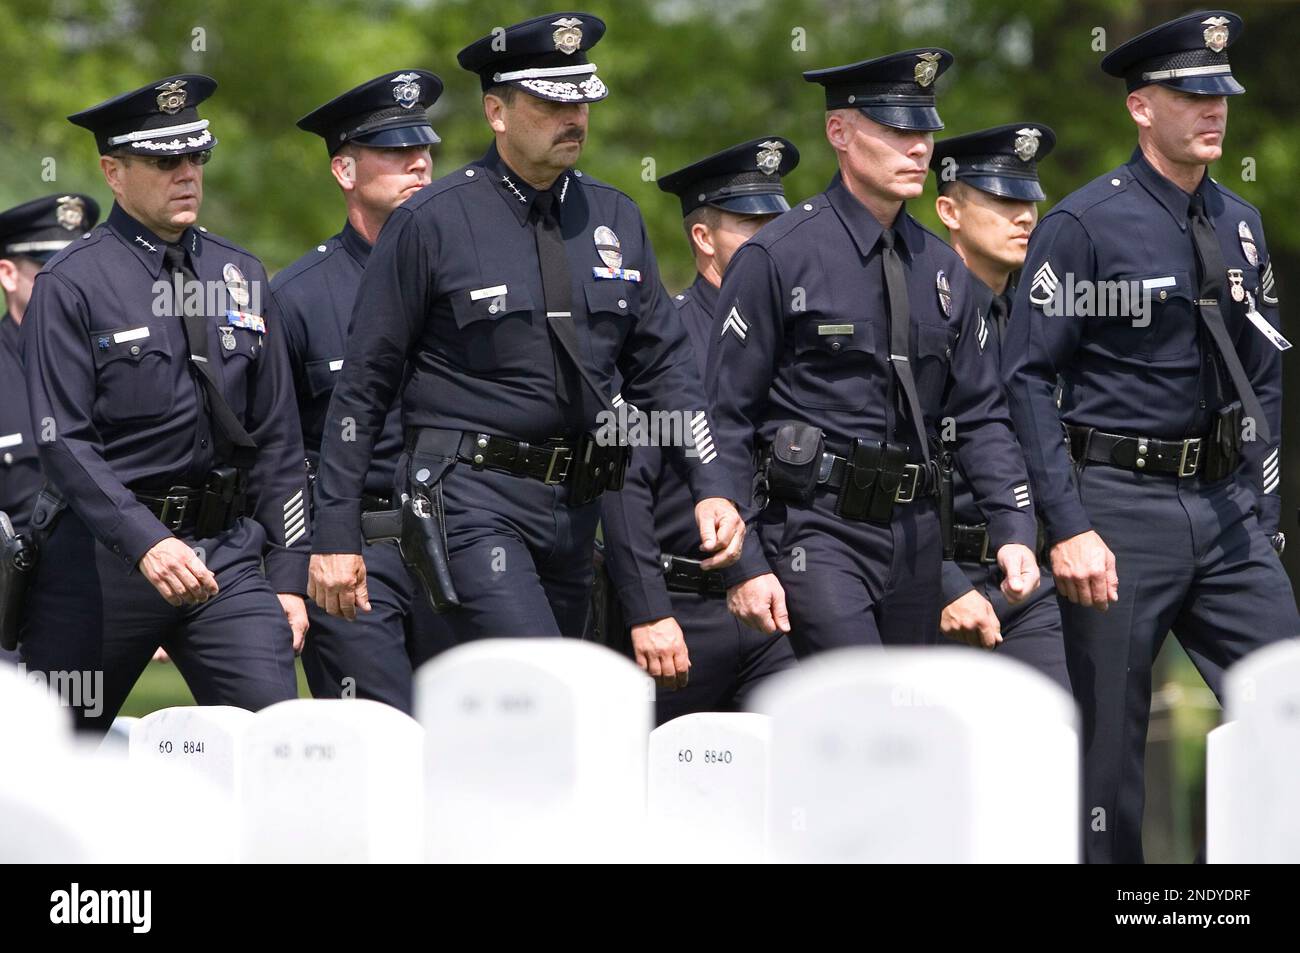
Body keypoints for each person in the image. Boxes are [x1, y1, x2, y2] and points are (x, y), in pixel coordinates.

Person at [308, 13, 744, 639]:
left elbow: (666, 370)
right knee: (541, 677)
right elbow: (366, 385)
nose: (574, 119)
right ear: (496, 111)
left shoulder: (614, 216)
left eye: (582, 102)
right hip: (470, 500)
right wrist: (335, 533)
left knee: (539, 708)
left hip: (576, 506)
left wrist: (711, 484)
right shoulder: (432, 221)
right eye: (548, 102)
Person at [1002, 10, 1299, 862]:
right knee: (1107, 767)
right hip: (1118, 511)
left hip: (1229, 511)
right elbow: (1024, 379)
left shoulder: (1240, 221)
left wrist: (1261, 495)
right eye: (1193, 94)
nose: (1215, 110)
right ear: (1142, 107)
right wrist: (1069, 525)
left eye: (1222, 94)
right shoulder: (1084, 225)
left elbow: (1265, 369)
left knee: (1287, 705)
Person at [707, 49, 1040, 654]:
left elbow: (981, 415)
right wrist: (746, 563)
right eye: (896, 130)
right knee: (855, 704)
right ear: (839, 132)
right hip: (818, 527)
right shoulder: (778, 256)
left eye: (924, 132)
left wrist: (1013, 526)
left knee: (900, 728)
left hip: (916, 534)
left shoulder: (942, 269)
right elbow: (726, 418)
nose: (918, 148)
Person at [20, 74, 306, 731]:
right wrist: (145, 541)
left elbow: (280, 442)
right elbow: (61, 437)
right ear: (112, 172)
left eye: (196, 156)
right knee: (53, 759)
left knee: (277, 744)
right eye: (164, 160)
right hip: (106, 557)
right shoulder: (72, 283)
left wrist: (288, 572)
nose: (187, 174)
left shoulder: (241, 275)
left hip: (225, 554)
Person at [602, 138, 800, 722]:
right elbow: (625, 486)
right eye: (749, 224)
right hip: (683, 614)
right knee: (661, 797)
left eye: (777, 224)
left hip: (781, 612)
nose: (770, 241)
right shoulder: (662, 346)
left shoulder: (800, 339)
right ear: (703, 238)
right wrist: (648, 611)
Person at [273, 70, 453, 712]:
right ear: (345, 172)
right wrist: (295, 568)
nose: (419, 162)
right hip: (356, 556)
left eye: (424, 148)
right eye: (394, 151)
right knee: (379, 750)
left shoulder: (464, 277)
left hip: (464, 543)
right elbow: (278, 453)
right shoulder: (297, 297)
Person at [928, 124, 1070, 691]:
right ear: (949, 210)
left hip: (1028, 578)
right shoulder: (915, 313)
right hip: (936, 577)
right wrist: (942, 582)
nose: (1025, 216)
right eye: (1004, 200)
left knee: (1056, 747)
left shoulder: (1039, 319)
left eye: (1030, 200)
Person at [0, 194, 100, 665]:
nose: (64, 278)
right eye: (47, 264)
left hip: (104, 598)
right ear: (7, 274)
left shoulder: (116, 363)